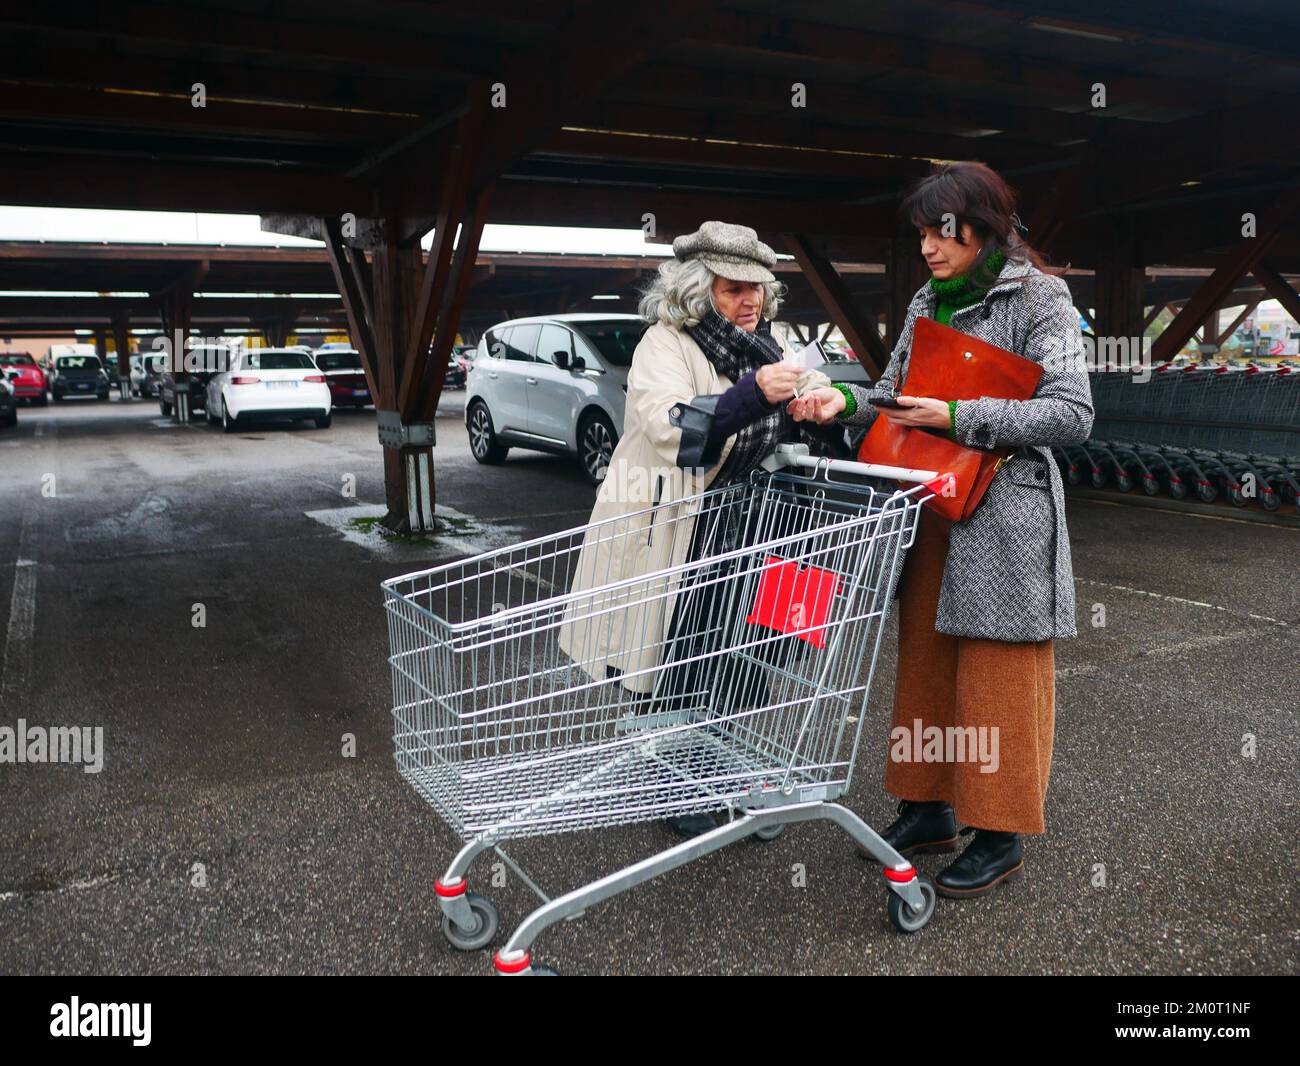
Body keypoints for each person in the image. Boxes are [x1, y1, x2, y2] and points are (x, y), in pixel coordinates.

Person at [789, 161, 1094, 897]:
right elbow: (895, 397)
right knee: (924, 662)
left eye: (942, 230)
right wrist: (843, 402)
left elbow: (1073, 414)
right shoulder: (932, 297)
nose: (928, 246)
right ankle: (927, 808)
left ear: (985, 225)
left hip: (1006, 513)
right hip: (930, 506)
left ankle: (1000, 833)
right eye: (922, 232)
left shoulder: (1041, 298)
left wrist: (963, 417)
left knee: (997, 674)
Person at [556, 220, 846, 838]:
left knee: (746, 655)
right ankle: (675, 780)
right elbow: (669, 427)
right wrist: (752, 395)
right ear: (696, 288)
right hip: (677, 526)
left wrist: (822, 405)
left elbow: (812, 391)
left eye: (758, 289)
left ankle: (718, 766)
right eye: (732, 288)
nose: (750, 301)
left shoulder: (766, 345)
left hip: (758, 530)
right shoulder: (665, 344)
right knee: (674, 656)